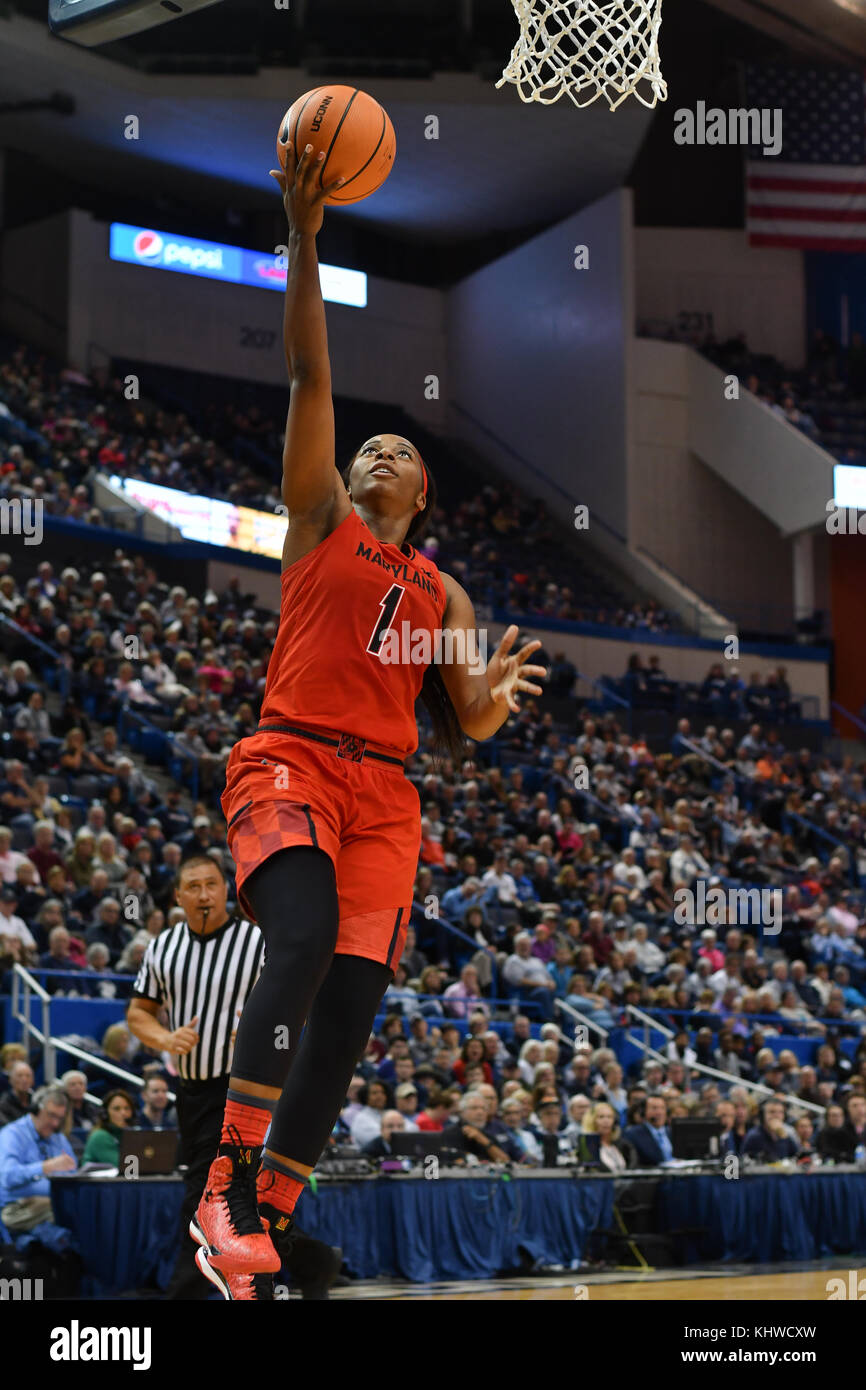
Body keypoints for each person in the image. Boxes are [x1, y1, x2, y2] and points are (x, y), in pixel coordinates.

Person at [190, 138, 546, 1300]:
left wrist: (486, 699)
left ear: (423, 489)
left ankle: (269, 1227)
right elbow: (307, 377)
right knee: (294, 943)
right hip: (290, 758)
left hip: (387, 794)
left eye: (400, 450)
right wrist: (301, 239)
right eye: (368, 445)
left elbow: (473, 724)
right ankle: (224, 1184)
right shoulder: (319, 523)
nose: (379, 447)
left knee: (346, 1010)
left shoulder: (441, 589)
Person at [127, 853, 339, 1301]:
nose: (204, 894)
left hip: (244, 1091)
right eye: (194, 887)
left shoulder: (256, 940)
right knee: (237, 1201)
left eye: (212, 884)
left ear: (226, 889)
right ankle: (311, 1261)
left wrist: (268, 1031)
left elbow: (298, 1001)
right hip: (192, 1091)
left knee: (205, 1197)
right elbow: (138, 1012)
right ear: (178, 896)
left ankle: (187, 1293)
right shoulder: (161, 947)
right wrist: (166, 1039)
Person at [0, 1085, 77, 1249]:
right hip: (18, 1206)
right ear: (35, 1109)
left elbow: (73, 1171)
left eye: (59, 1118)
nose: (55, 1123)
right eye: (51, 1115)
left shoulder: (58, 1138)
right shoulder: (12, 1135)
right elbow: (7, 1176)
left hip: (53, 1201)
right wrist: (45, 1166)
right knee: (72, 1213)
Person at [81, 1088, 136, 1165]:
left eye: (127, 1108)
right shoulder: (100, 1136)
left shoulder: (130, 1135)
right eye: (117, 1109)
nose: (123, 1113)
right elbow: (124, 1166)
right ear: (105, 1114)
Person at [623, 1095, 675, 1166]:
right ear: (644, 1112)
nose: (659, 1112)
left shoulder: (672, 1131)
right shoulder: (633, 1134)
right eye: (654, 1108)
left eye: (662, 1108)